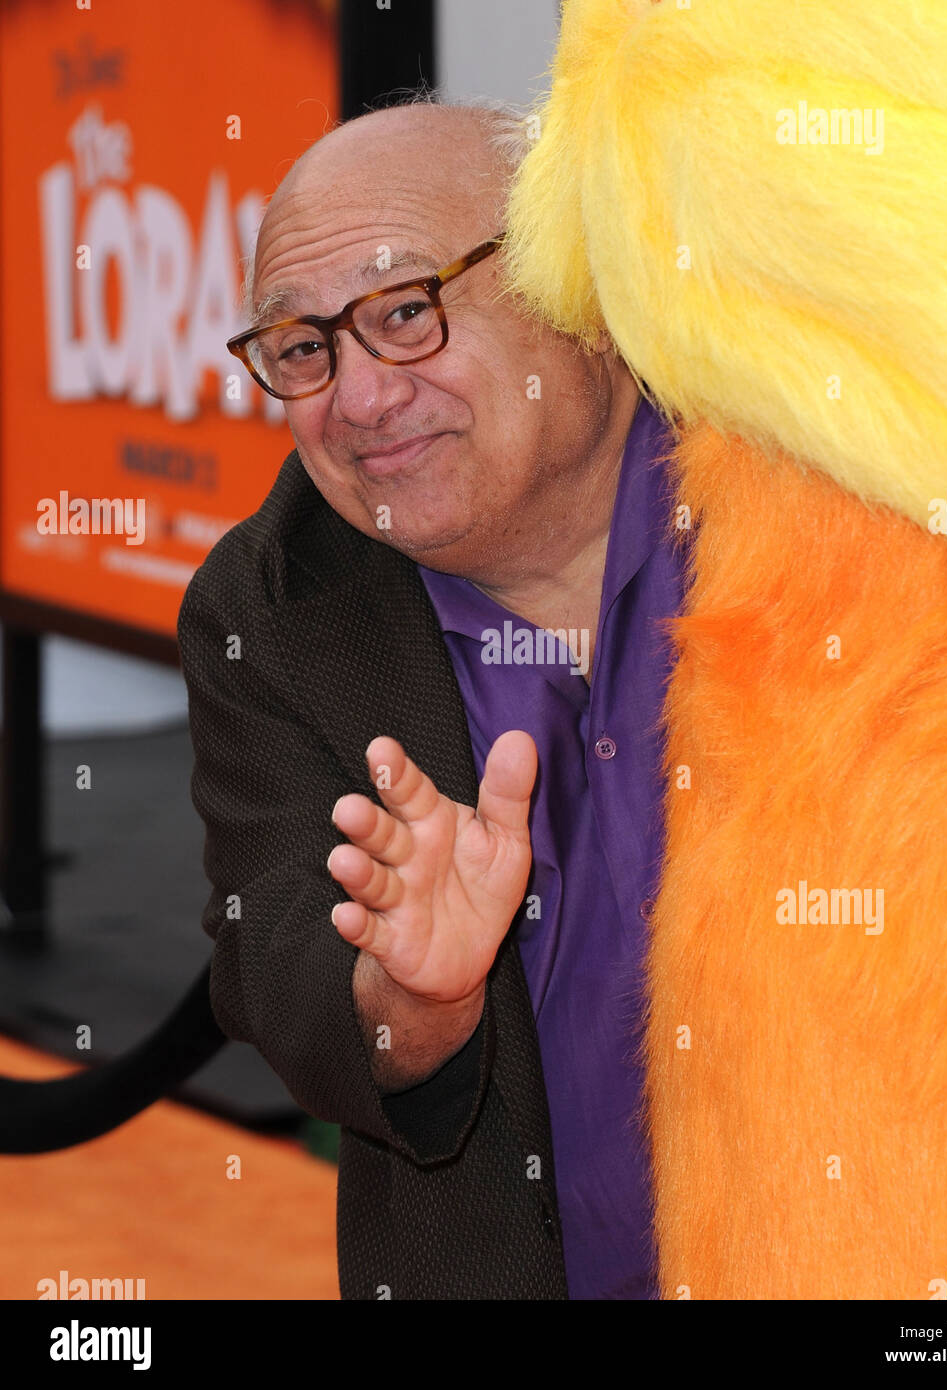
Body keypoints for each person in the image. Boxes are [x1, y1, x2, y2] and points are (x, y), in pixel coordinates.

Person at [178, 98, 686, 1299]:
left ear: (574, 275)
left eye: (404, 311)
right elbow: (272, 958)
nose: (356, 401)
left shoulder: (821, 499)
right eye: (303, 348)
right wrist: (407, 995)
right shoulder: (271, 602)